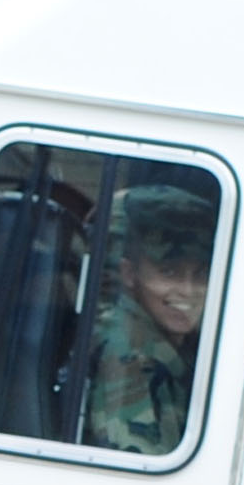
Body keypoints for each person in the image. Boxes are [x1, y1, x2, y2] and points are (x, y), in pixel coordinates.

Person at [83, 184, 218, 456]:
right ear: (129, 274)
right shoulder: (130, 358)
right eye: (169, 272)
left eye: (201, 274)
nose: (188, 290)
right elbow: (135, 467)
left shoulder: (168, 343)